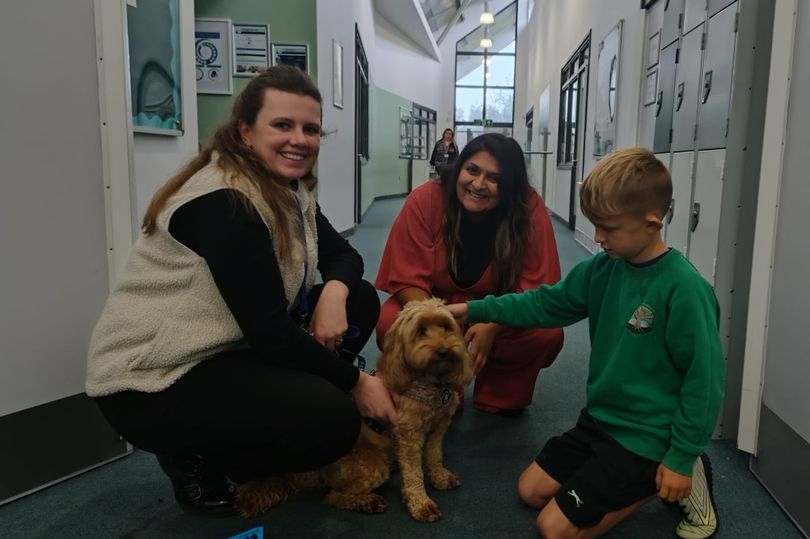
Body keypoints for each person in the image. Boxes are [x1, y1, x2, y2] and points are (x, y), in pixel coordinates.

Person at [86, 65, 397, 515]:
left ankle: (267, 416)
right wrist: (357, 383)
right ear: (245, 132)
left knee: (359, 298)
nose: (299, 139)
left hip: (227, 346)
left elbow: (345, 256)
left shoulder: (287, 188)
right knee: (334, 420)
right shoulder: (226, 202)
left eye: (310, 129)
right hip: (154, 377)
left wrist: (333, 292)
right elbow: (270, 332)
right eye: (282, 125)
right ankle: (196, 453)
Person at [446, 147, 724, 539]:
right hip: (601, 420)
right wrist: (476, 310)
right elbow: (545, 303)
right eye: (595, 225)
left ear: (652, 223)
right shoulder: (603, 268)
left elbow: (704, 381)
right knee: (530, 491)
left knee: (553, 530)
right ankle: (640, 472)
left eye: (609, 228)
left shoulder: (685, 289)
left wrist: (680, 455)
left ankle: (674, 472)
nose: (598, 238)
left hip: (648, 434)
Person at [375, 132, 564, 415]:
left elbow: (538, 288)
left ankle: (500, 394)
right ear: (459, 167)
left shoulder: (528, 207)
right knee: (390, 321)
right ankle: (435, 390)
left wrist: (494, 325)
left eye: (494, 178)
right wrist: (439, 324)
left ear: (511, 185)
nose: (478, 184)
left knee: (545, 333)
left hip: (500, 306)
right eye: (472, 170)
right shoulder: (427, 198)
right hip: (435, 304)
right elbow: (406, 276)